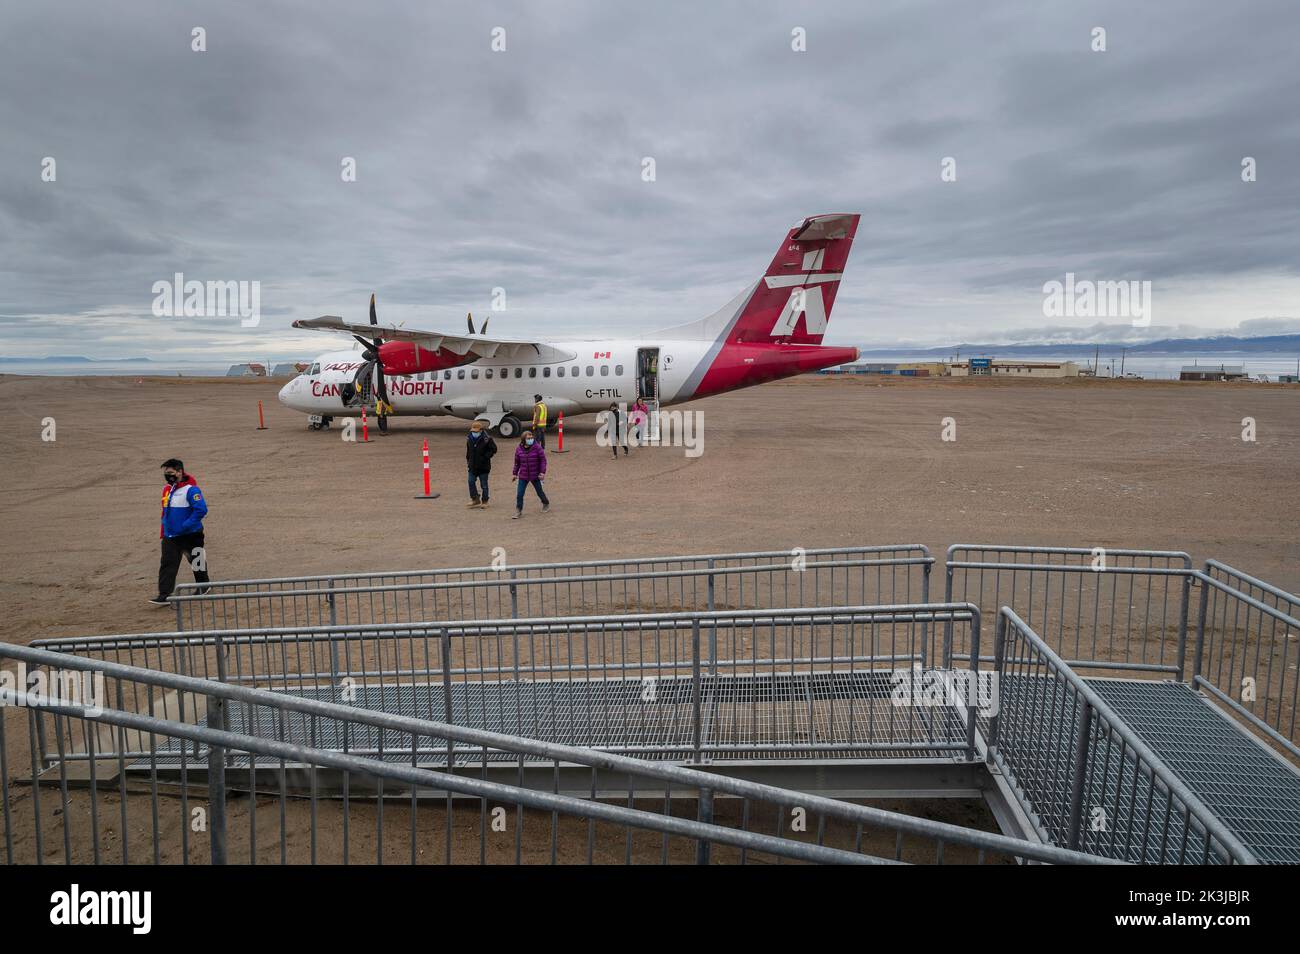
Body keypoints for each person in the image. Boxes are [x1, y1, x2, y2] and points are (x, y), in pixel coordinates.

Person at [149, 458, 210, 606]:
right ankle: (164, 595)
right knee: (167, 564)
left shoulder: (191, 490)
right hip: (171, 536)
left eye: (170, 473)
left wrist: (186, 525)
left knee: (196, 560)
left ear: (179, 472)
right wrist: (164, 531)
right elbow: (165, 512)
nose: (167, 476)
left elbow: (201, 510)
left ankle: (203, 585)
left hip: (191, 534)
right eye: (166, 473)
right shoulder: (167, 490)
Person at [511, 430, 550, 519]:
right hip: (523, 475)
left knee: (539, 491)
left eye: (532, 438)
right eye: (528, 438)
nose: (531, 439)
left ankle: (545, 503)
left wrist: (542, 472)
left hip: (535, 475)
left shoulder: (537, 447)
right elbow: (517, 463)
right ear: (523, 440)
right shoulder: (519, 449)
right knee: (520, 494)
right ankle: (518, 510)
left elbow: (543, 461)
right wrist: (514, 473)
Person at [465, 419, 498, 508]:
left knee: (484, 485)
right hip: (472, 466)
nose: (474, 433)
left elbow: (494, 449)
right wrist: (468, 461)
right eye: (473, 431)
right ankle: (475, 499)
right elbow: (468, 451)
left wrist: (486, 457)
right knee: (470, 481)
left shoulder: (487, 439)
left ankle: (485, 501)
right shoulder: (469, 439)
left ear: (481, 430)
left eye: (476, 431)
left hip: (484, 466)